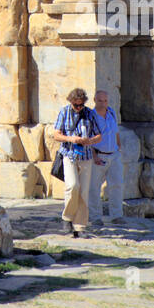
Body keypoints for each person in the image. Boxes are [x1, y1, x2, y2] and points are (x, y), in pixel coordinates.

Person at [52, 87, 102, 236]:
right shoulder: (64, 112)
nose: (79, 108)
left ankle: (79, 227)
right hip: (69, 154)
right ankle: (67, 217)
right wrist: (71, 139)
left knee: (83, 192)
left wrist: (89, 141)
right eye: (76, 105)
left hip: (86, 156)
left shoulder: (89, 114)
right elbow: (56, 134)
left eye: (81, 105)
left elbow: (99, 135)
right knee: (73, 186)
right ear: (71, 102)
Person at [88, 89, 125, 226]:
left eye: (105, 100)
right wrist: (94, 155)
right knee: (94, 187)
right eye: (100, 100)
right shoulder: (90, 116)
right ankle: (95, 217)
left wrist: (119, 147)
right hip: (98, 155)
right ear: (94, 100)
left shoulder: (111, 113)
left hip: (114, 154)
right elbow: (88, 138)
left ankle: (117, 215)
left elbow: (115, 132)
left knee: (117, 185)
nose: (103, 103)